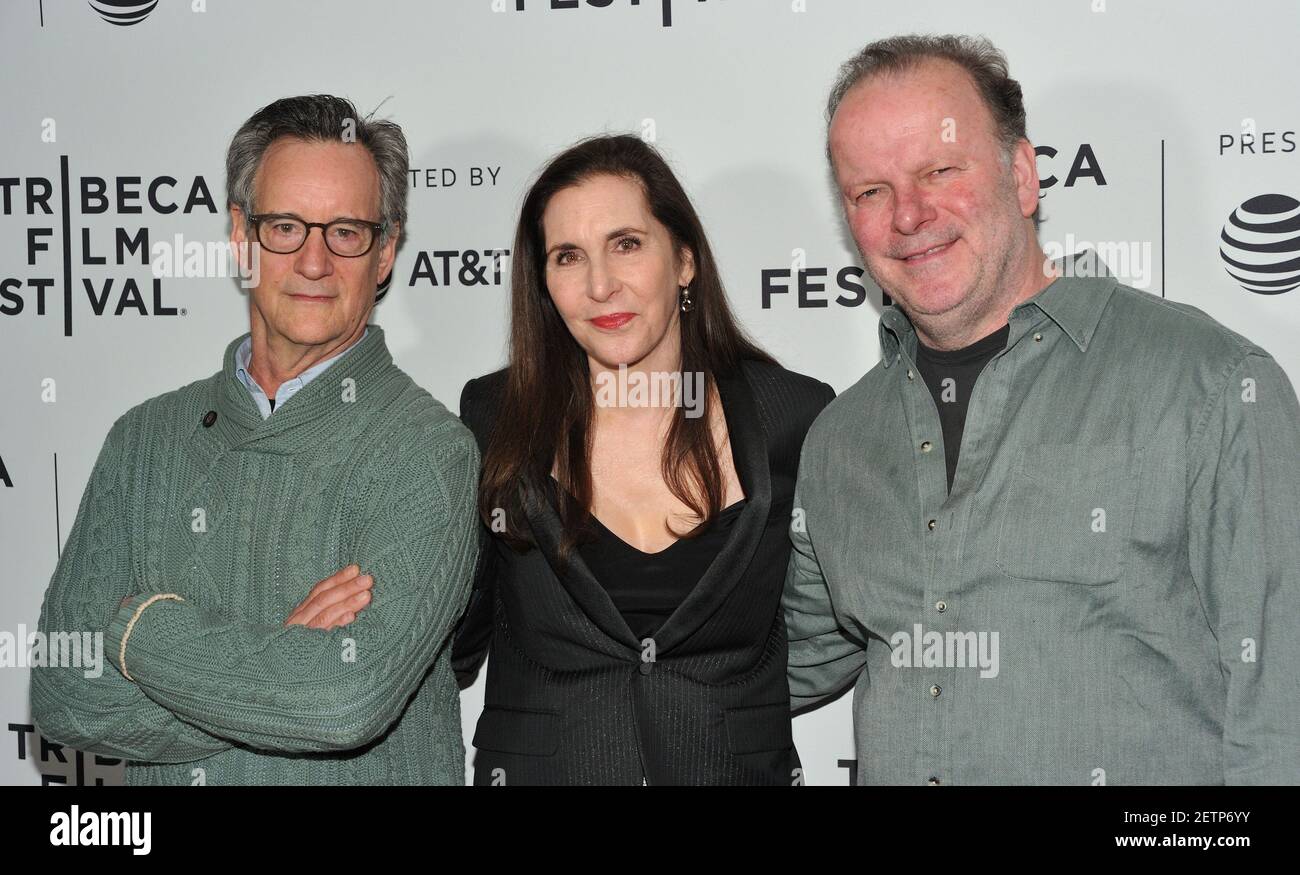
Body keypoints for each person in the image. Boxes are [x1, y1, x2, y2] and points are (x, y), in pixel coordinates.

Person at [784, 34, 1300, 784]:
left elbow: (1282, 713)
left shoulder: (1212, 385)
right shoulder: (839, 441)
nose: (909, 215)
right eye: (871, 191)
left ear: (1022, 176)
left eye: (938, 170)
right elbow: (759, 666)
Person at [30, 95, 480, 785]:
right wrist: (280, 660)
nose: (313, 261)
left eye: (346, 232)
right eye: (286, 227)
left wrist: (137, 630)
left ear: (385, 251)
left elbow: (342, 701)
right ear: (241, 237)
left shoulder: (429, 450)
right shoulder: (142, 441)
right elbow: (64, 691)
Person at [452, 134, 833, 785]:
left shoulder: (792, 415)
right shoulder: (495, 415)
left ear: (684, 259)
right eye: (568, 256)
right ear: (543, 281)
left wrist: (730, 703)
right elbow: (460, 632)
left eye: (626, 243)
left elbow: (828, 622)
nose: (601, 284)